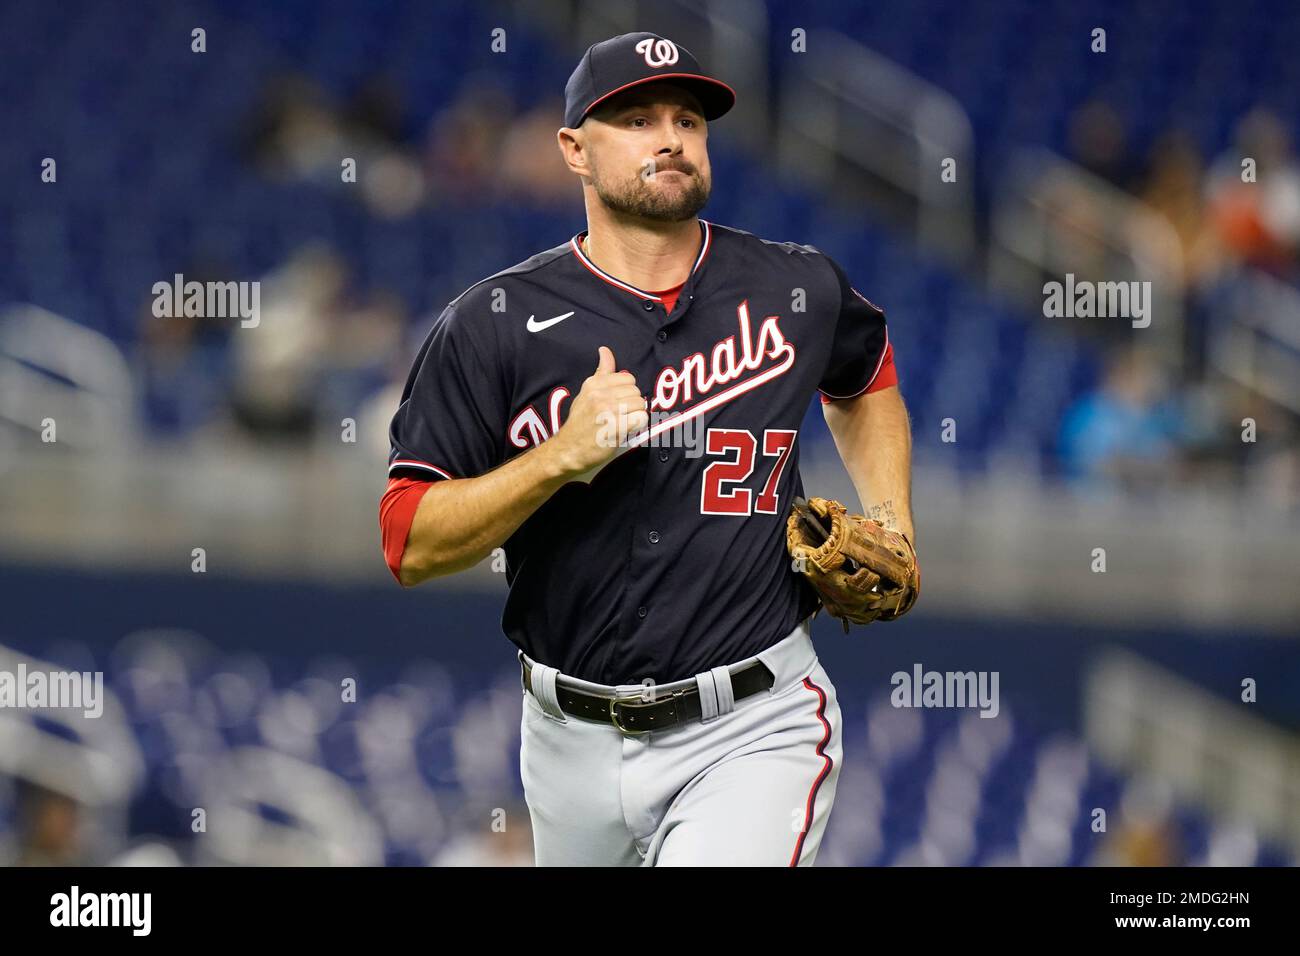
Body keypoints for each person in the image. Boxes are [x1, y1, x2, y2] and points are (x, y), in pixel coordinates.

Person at [379, 33, 915, 866]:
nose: (670, 136)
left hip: (753, 725)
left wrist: (892, 516)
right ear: (573, 150)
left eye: (688, 119)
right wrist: (556, 458)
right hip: (565, 743)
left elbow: (865, 373)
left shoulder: (796, 287)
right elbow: (408, 541)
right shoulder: (491, 323)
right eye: (635, 118)